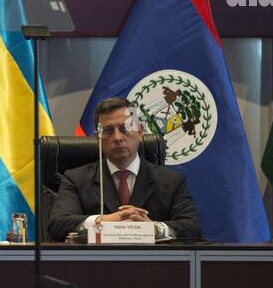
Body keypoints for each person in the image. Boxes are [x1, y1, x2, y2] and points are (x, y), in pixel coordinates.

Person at [46, 97, 202, 242]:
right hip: (95, 265)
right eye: (108, 131)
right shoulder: (76, 179)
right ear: (98, 138)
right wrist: (104, 220)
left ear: (140, 132)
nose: (117, 137)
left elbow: (192, 227)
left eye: (125, 128)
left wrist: (154, 228)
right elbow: (58, 224)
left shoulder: (171, 180)